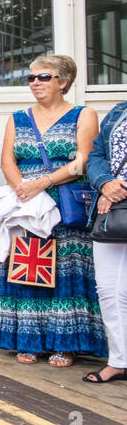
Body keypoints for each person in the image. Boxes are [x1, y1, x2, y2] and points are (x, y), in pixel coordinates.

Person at [0, 54, 106, 368]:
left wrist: (41, 183)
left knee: (65, 272)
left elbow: (83, 161)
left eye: (44, 77)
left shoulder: (85, 114)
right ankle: (29, 341)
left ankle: (65, 345)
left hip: (65, 203)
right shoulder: (17, 117)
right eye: (31, 78)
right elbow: (7, 162)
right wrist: (22, 191)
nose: (35, 83)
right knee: (28, 269)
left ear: (63, 82)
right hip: (27, 204)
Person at [86, 99, 127, 383]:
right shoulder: (119, 111)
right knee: (108, 289)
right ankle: (119, 360)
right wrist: (105, 183)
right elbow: (96, 155)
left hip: (116, 199)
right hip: (112, 210)